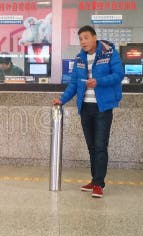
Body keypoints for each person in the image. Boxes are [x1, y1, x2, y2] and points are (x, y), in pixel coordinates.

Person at [52, 25, 123, 199]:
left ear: (94, 37)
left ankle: (99, 184)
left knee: (100, 146)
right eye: (80, 39)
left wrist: (98, 81)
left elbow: (119, 74)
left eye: (85, 37)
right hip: (85, 107)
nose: (83, 41)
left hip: (103, 106)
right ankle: (94, 179)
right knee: (91, 146)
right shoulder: (80, 58)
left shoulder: (109, 53)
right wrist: (62, 100)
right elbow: (74, 84)